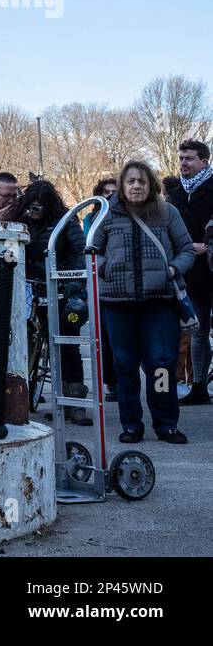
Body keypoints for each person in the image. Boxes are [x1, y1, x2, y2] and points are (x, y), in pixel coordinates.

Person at [94, 160, 193, 444]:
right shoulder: (107, 214)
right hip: (117, 302)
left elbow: (186, 249)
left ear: (151, 185)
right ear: (122, 186)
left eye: (142, 181)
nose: (136, 185)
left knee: (161, 364)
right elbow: (90, 250)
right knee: (124, 366)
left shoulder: (167, 212)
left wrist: (172, 270)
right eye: (131, 181)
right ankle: (131, 425)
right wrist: (103, 267)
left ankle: (165, 423)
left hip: (160, 302)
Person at [20, 179, 91, 425]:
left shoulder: (66, 223)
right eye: (31, 204)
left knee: (67, 345)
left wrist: (72, 282)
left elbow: (81, 251)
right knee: (35, 340)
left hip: (62, 289)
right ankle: (58, 399)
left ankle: (76, 403)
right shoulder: (21, 222)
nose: (34, 210)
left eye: (39, 205)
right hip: (32, 288)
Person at [169, 139, 212, 405]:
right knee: (197, 330)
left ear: (204, 161)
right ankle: (198, 387)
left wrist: (207, 246)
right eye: (181, 158)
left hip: (210, 265)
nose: (183, 162)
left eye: (189, 158)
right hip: (191, 273)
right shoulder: (174, 192)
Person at [83, 177, 119, 399]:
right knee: (104, 336)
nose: (110, 196)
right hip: (101, 282)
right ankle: (111, 382)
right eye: (106, 192)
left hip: (121, 282)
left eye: (114, 192)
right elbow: (90, 246)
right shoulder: (92, 218)